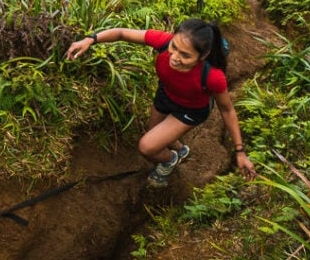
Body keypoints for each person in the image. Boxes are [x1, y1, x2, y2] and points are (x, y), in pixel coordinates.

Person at [66, 18, 256, 185]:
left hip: (190, 110)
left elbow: (227, 110)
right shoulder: (163, 42)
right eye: (174, 47)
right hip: (165, 95)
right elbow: (122, 33)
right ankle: (181, 150)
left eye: (185, 55)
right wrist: (90, 39)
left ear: (203, 56)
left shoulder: (213, 77)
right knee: (154, 134)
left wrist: (239, 151)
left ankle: (169, 160)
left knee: (147, 147)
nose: (174, 57)